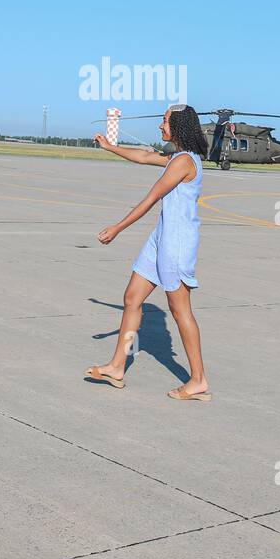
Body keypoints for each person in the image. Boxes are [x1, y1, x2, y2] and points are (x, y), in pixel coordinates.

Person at [86, 105, 211, 402]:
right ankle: (117, 366)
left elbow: (152, 197)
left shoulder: (183, 162)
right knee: (132, 299)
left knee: (181, 312)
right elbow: (143, 156)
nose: (160, 126)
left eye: (165, 121)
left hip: (176, 244)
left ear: (178, 126)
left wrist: (118, 228)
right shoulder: (175, 158)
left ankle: (198, 380)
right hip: (161, 239)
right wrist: (109, 147)